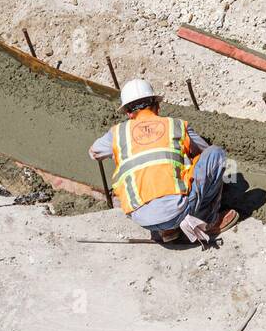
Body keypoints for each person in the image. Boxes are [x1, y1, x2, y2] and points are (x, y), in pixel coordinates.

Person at [88, 78, 238, 244]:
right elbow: (204, 150)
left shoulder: (116, 133)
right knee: (215, 154)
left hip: (141, 217)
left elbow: (94, 152)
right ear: (157, 107)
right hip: (177, 211)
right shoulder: (176, 125)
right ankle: (208, 220)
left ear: (128, 113)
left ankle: (167, 230)